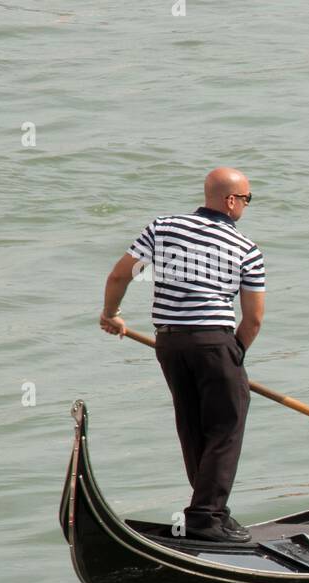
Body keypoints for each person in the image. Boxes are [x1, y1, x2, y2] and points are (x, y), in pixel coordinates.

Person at [99, 167, 266, 543]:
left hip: (169, 343)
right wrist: (232, 356)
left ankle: (213, 511)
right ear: (230, 201)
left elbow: (119, 276)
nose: (246, 206)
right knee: (225, 427)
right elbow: (253, 320)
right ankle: (205, 516)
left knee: (192, 425)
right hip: (214, 342)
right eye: (247, 199)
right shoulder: (246, 249)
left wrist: (112, 314)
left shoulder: (163, 227)